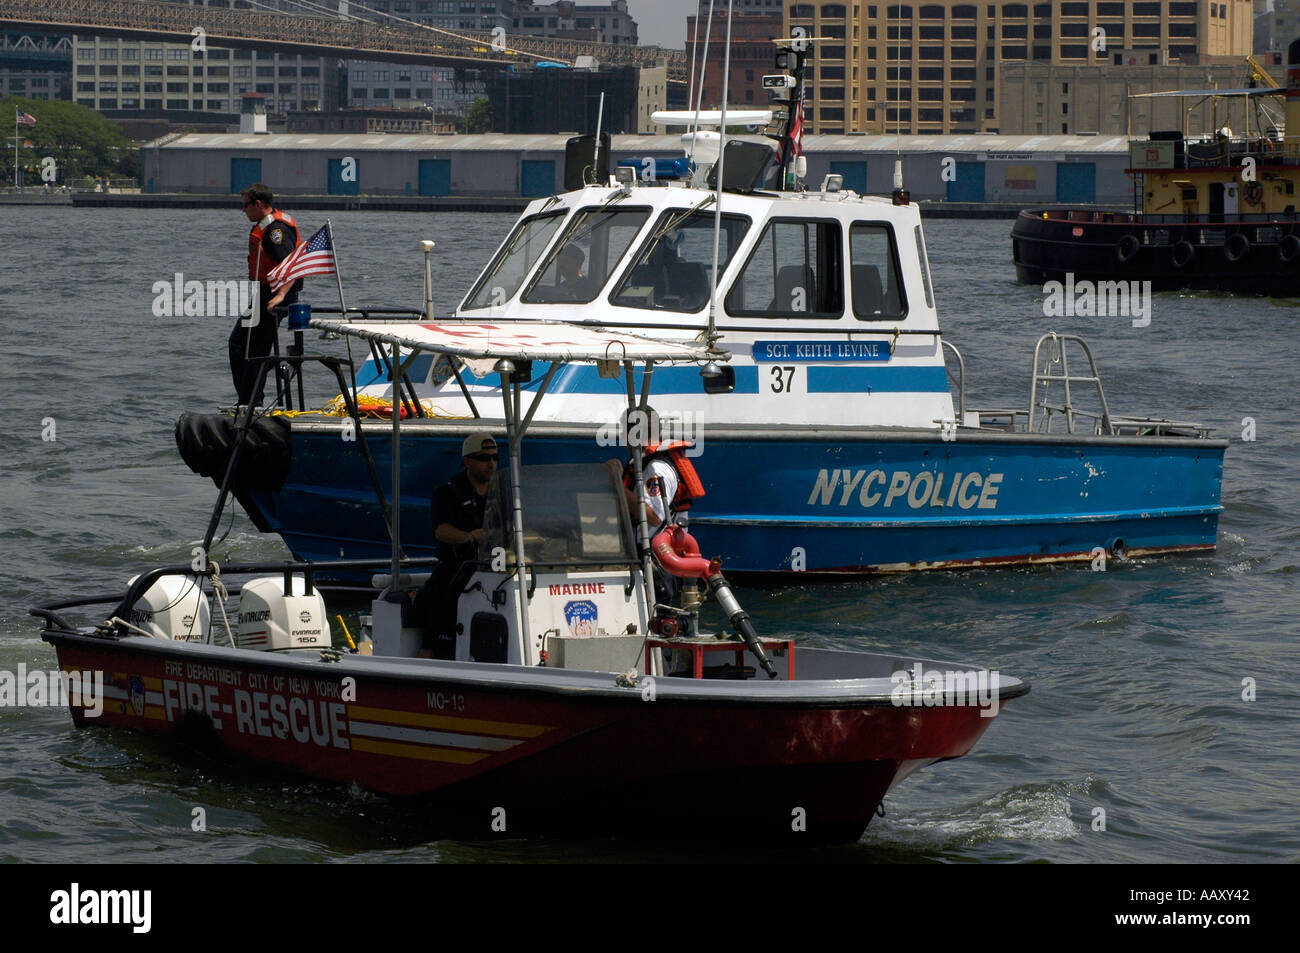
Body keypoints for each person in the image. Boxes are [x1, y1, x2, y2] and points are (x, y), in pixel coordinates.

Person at [417, 433, 499, 659]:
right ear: (467, 461)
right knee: (435, 637)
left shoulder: (503, 492)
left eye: (494, 457)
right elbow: (440, 530)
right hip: (456, 571)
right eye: (483, 458)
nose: (491, 463)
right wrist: (469, 537)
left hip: (496, 571)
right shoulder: (448, 492)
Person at [231, 183, 301, 406]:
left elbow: (291, 266)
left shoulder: (275, 231)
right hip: (264, 295)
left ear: (258, 204)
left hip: (275, 297)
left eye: (245, 206)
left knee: (253, 349)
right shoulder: (265, 226)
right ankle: (249, 400)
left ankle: (250, 403)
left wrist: (280, 296)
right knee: (239, 345)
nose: (243, 210)